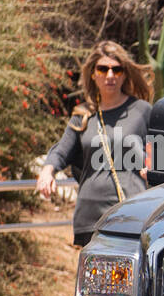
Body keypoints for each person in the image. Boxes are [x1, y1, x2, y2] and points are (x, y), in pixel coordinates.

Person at [36, 41, 153, 247]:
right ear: (93, 74)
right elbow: (61, 151)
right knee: (92, 279)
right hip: (90, 218)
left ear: (125, 74)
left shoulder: (141, 110)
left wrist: (152, 168)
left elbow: (159, 151)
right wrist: (47, 172)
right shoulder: (83, 115)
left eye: (117, 70)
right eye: (103, 69)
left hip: (130, 214)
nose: (110, 75)